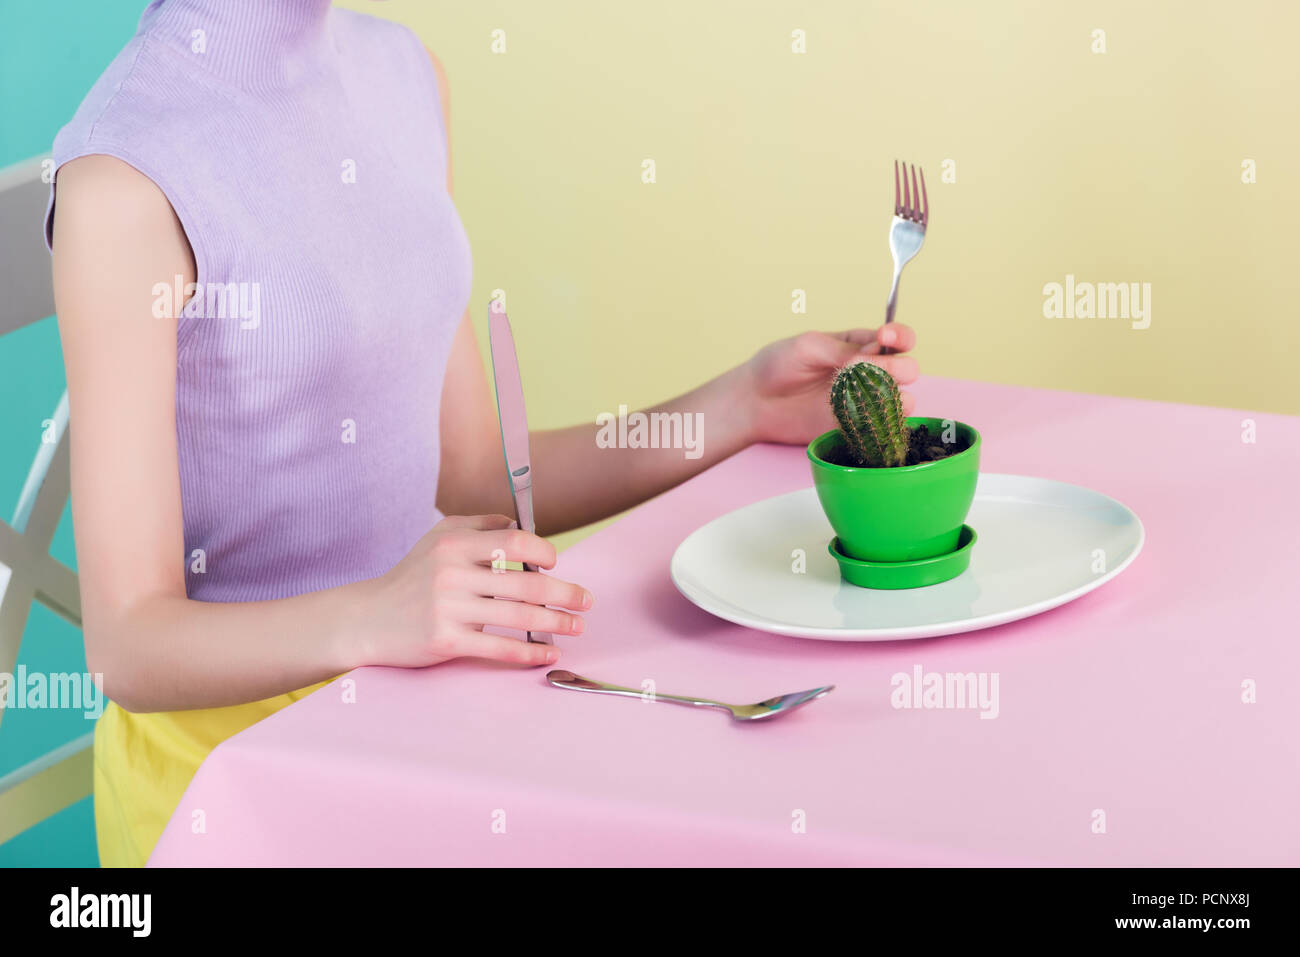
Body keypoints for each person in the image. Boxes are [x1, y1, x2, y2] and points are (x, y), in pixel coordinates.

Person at [46, 0, 918, 866]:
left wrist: (738, 407)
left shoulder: (405, 73)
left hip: (429, 716)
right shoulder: (123, 177)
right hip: (230, 787)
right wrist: (372, 615)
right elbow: (130, 644)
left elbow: (469, 480)